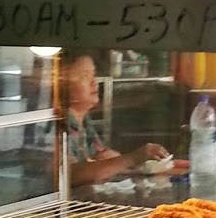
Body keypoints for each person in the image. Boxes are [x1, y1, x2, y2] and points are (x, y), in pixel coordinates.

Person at [62, 52, 171, 187]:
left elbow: (100, 159)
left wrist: (126, 164)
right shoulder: (59, 123)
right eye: (84, 76)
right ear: (63, 84)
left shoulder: (83, 119)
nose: (94, 82)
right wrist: (132, 158)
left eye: (93, 74)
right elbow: (70, 175)